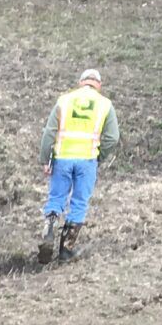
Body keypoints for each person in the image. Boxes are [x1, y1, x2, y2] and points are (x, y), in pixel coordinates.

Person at [39, 68, 120, 263]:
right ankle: (66, 250)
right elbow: (112, 137)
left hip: (63, 158)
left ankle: (48, 232)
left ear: (81, 82)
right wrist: (99, 156)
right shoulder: (105, 104)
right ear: (98, 85)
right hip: (87, 160)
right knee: (79, 202)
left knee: (57, 197)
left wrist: (46, 159)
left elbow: (49, 132)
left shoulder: (64, 100)